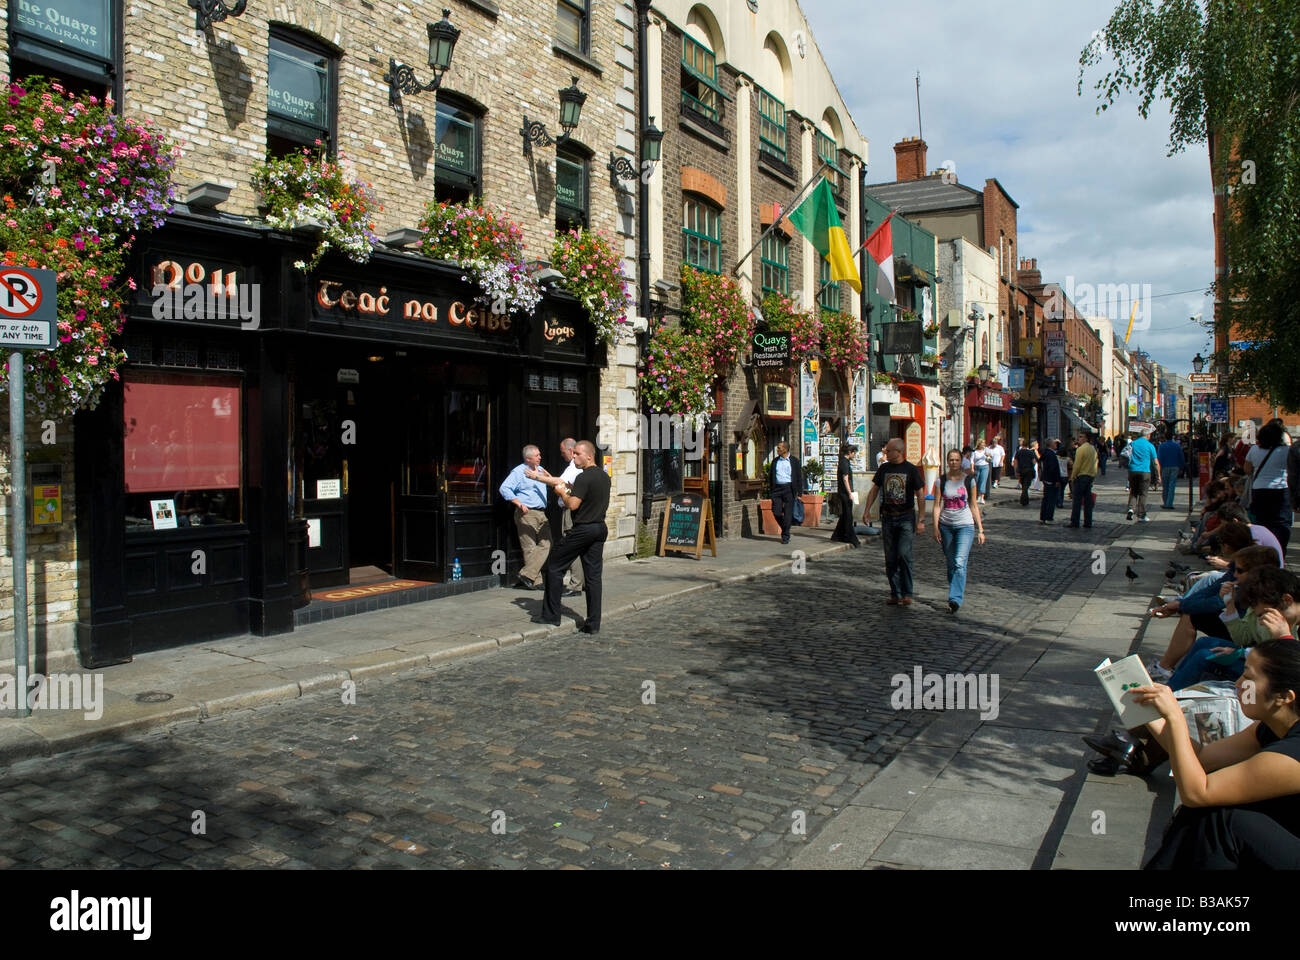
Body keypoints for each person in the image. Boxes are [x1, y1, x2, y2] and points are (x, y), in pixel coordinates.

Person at [1138, 639, 1300, 869]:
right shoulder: (1271, 727)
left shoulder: (1294, 755)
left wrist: (1176, 718)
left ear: (1284, 696)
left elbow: (1197, 792)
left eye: (1249, 678)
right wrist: (1148, 714)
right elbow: (1202, 758)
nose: (1238, 683)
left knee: (1221, 820)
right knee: (1203, 814)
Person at [530, 440, 611, 633]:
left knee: (554, 567)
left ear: (589, 456)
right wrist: (560, 485)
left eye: (577, 454)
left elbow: (573, 504)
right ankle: (593, 624)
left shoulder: (584, 477)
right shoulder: (603, 476)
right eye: (573, 453)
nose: (573, 456)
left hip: (583, 529)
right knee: (593, 577)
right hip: (599, 528)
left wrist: (560, 492)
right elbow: (580, 494)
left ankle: (551, 615)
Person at [862, 438, 925, 606]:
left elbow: (920, 494)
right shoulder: (884, 468)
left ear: (898, 452)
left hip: (906, 517)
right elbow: (874, 489)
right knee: (890, 557)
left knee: (904, 554)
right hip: (888, 517)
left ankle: (907, 592)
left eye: (888, 451)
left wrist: (921, 519)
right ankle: (895, 593)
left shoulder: (911, 470)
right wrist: (867, 510)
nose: (885, 453)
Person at [932, 448, 985, 613]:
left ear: (961, 461)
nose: (954, 462)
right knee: (950, 563)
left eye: (956, 460)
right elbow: (936, 506)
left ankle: (954, 599)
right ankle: (955, 589)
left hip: (965, 525)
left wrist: (980, 529)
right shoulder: (941, 481)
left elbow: (974, 506)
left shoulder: (969, 481)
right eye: (951, 460)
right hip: (946, 525)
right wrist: (935, 527)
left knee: (959, 562)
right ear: (947, 462)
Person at [499, 444, 552, 590]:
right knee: (529, 547)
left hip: (541, 512)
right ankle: (537, 582)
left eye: (539, 455)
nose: (540, 457)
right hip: (527, 512)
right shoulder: (519, 472)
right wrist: (519, 503)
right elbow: (504, 488)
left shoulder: (540, 470)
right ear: (528, 458)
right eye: (537, 455)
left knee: (546, 543)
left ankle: (527, 574)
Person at [1245, 420, 1292, 560]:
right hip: (1281, 490)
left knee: (1261, 523)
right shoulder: (1287, 451)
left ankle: (1262, 552)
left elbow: (1247, 469)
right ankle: (1279, 552)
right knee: (1281, 523)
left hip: (1259, 490)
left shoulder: (1254, 449)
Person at [767, 442, 803, 545]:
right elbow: (771, 476)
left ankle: (785, 536)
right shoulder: (775, 461)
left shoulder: (794, 461)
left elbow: (799, 477)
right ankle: (785, 529)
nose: (777, 449)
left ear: (785, 449)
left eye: (779, 448)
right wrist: (772, 489)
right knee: (776, 512)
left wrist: (799, 493)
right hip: (777, 489)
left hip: (789, 488)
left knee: (788, 514)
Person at [829, 443, 861, 547]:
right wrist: (850, 493)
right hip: (845, 493)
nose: (854, 455)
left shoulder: (844, 461)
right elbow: (845, 479)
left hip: (844, 492)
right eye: (854, 452)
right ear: (850, 452)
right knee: (848, 515)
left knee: (845, 515)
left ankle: (837, 535)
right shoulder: (844, 463)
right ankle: (850, 536)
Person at [1066, 430, 1099, 529]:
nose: (1078, 439)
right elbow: (1096, 463)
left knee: (1077, 501)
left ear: (1086, 438)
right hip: (1089, 477)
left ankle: (1075, 522)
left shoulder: (1081, 449)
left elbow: (1077, 465)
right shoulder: (1093, 449)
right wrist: (1093, 475)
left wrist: (1072, 477)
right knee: (1088, 502)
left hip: (1081, 477)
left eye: (1081, 437)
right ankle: (1088, 522)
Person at [1125, 430, 1160, 521]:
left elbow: (1126, 455)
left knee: (1133, 491)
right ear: (1148, 435)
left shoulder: (1132, 444)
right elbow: (1155, 463)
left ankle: (1131, 509)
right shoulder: (1150, 445)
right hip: (1144, 471)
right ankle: (1141, 515)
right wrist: (1158, 476)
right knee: (1143, 493)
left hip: (1132, 471)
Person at [1158, 431, 1186, 510]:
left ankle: (1165, 502)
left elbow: (1159, 458)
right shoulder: (1176, 446)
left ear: (1165, 437)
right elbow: (1181, 456)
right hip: (1175, 466)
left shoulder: (1162, 446)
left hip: (1165, 467)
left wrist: (1159, 468)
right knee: (1172, 485)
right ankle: (1169, 503)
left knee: (1165, 485)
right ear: (1172, 437)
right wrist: (1181, 467)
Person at [1038, 437, 1062, 523]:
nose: (1056, 445)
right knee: (1051, 499)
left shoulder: (1045, 453)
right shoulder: (1051, 455)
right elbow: (1053, 468)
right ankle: (1048, 517)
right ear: (1051, 445)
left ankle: (1043, 516)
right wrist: (1056, 480)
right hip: (1051, 480)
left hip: (1046, 478)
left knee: (1046, 499)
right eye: (1055, 443)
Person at [1012, 437, 1037, 506]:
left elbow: (1015, 462)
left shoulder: (1019, 452)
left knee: (1024, 485)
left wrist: (1016, 471)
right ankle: (1024, 499)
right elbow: (1034, 462)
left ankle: (1024, 499)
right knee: (1026, 485)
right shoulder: (1031, 453)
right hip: (1029, 470)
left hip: (1021, 470)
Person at [971, 439, 990, 505]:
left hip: (985, 466)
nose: (983, 444)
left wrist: (988, 455)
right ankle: (977, 496)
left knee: (983, 481)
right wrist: (972, 468)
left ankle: (982, 497)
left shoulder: (986, 450)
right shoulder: (974, 451)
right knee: (976, 481)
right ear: (979, 444)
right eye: (982, 443)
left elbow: (990, 459)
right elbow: (972, 460)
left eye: (984, 443)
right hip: (977, 467)